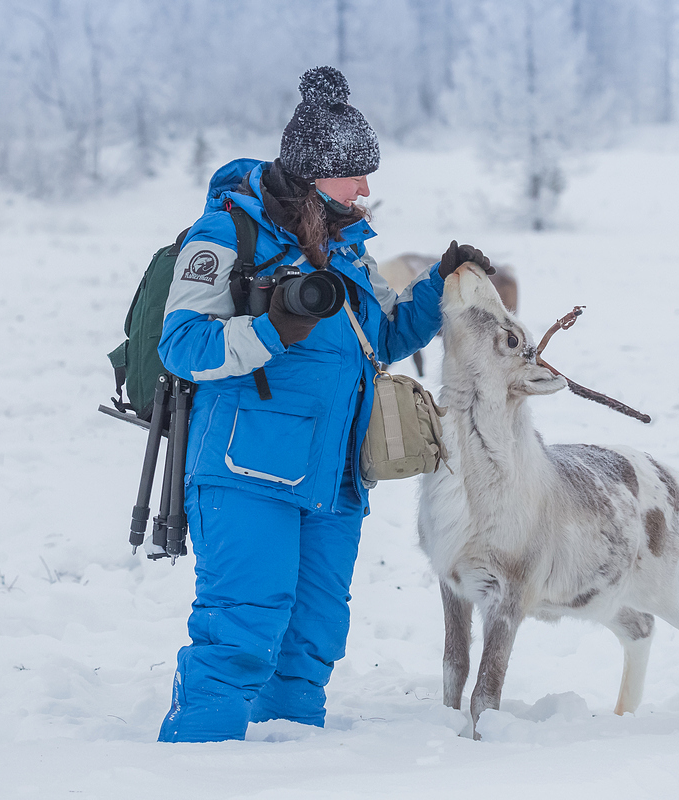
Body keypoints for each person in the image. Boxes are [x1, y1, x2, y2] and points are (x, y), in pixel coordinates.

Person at [155, 66, 492, 742]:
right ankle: (195, 768)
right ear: (313, 174)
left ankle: (298, 768)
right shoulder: (227, 238)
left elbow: (382, 339)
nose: (367, 189)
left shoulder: (348, 248)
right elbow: (182, 344)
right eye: (354, 175)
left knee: (311, 641)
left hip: (335, 479)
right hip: (246, 471)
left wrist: (435, 284)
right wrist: (272, 329)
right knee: (242, 628)